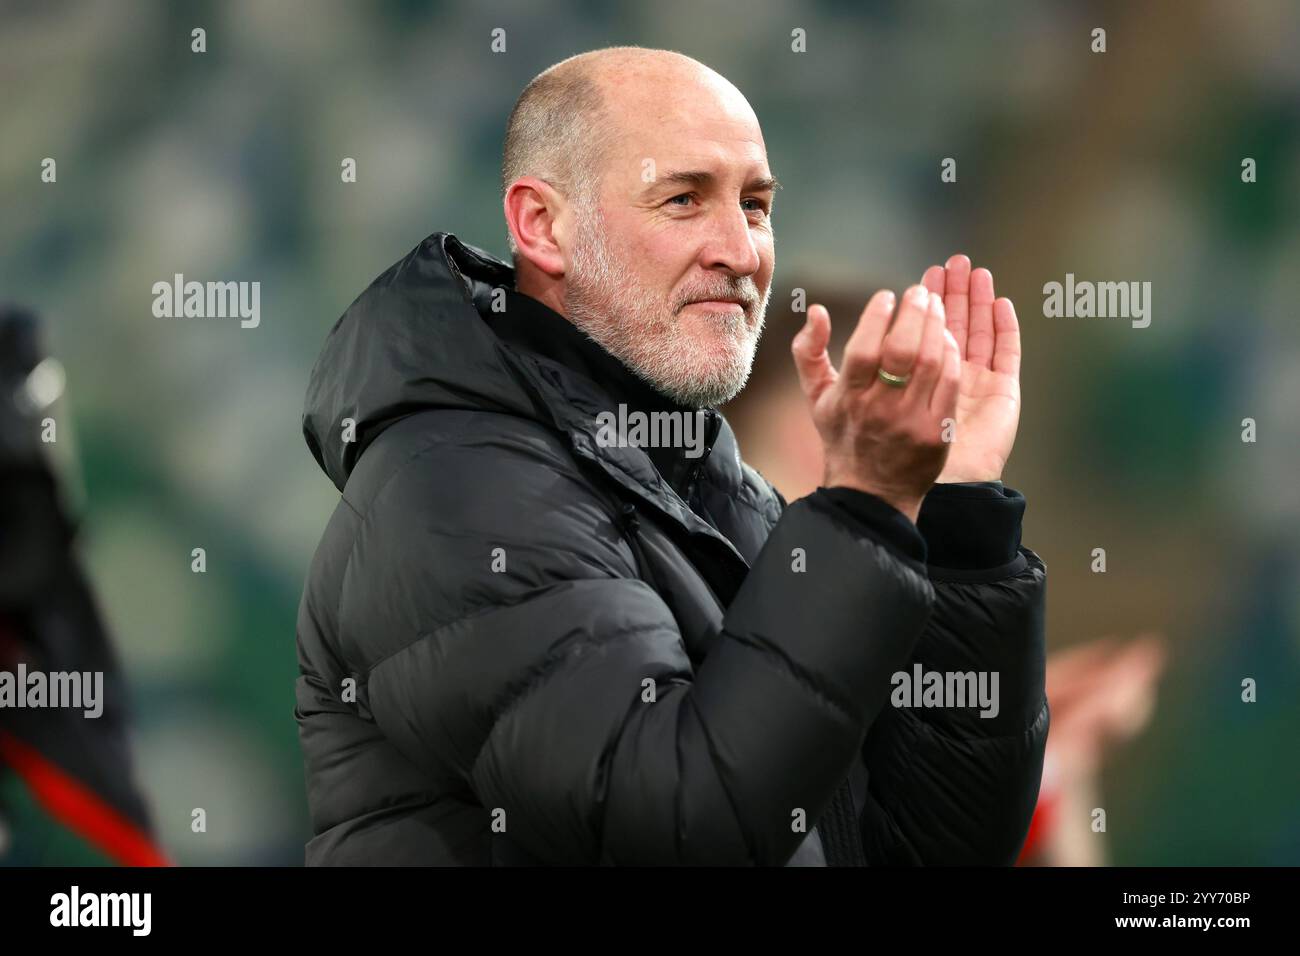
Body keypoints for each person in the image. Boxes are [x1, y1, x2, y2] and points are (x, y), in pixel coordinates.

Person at [295, 46, 1047, 865]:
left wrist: (960, 512)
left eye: (755, 205)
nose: (741, 250)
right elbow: (682, 829)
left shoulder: (708, 485)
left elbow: (930, 853)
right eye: (684, 199)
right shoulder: (452, 490)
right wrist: (864, 504)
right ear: (542, 226)